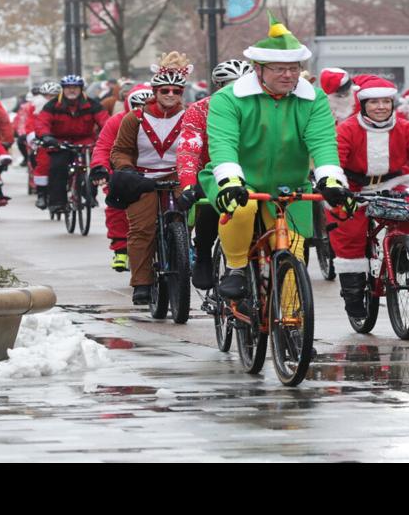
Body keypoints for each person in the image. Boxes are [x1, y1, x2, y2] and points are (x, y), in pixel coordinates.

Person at [202, 18, 353, 302]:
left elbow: (322, 141)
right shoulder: (228, 98)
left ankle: (292, 324)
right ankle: (235, 268)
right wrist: (231, 180)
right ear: (258, 69)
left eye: (294, 69)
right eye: (280, 69)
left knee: (293, 258)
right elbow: (223, 143)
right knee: (242, 207)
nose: (288, 75)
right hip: (236, 180)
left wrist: (330, 179)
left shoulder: (313, 99)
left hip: (290, 185)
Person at [328, 74, 409, 316]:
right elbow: (336, 160)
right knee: (349, 232)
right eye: (374, 103)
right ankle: (353, 292)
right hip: (354, 187)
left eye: (386, 102)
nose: (381, 107)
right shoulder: (347, 129)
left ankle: (398, 252)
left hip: (394, 182)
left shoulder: (406, 128)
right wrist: (336, 187)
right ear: (364, 104)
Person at [110, 55, 192, 305]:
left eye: (176, 90)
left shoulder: (191, 116)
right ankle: (141, 283)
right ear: (154, 91)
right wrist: (126, 169)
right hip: (142, 177)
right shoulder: (134, 118)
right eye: (164, 90)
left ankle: (183, 256)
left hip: (177, 175)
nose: (170, 94)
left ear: (181, 93)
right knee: (142, 229)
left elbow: (201, 148)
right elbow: (119, 150)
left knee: (189, 217)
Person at [175, 58, 250, 292]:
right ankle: (204, 254)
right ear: (218, 87)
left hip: (251, 172)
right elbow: (189, 149)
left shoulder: (261, 107)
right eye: (229, 85)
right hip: (211, 172)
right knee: (210, 204)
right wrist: (188, 185)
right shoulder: (199, 110)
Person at [91, 85, 154, 275]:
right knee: (116, 206)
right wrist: (99, 168)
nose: (140, 111)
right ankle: (120, 248)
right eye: (136, 106)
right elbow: (103, 147)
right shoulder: (116, 121)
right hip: (124, 171)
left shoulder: (168, 119)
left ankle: (185, 244)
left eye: (146, 105)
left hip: (159, 171)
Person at [31, 74, 106, 211]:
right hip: (59, 140)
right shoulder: (53, 105)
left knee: (95, 165)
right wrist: (46, 136)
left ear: (81, 89)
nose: (72, 90)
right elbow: (42, 122)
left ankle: (90, 196)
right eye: (68, 88)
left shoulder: (92, 104)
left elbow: (105, 121)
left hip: (85, 139)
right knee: (57, 168)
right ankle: (58, 203)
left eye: (75, 88)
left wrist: (106, 135)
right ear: (63, 90)